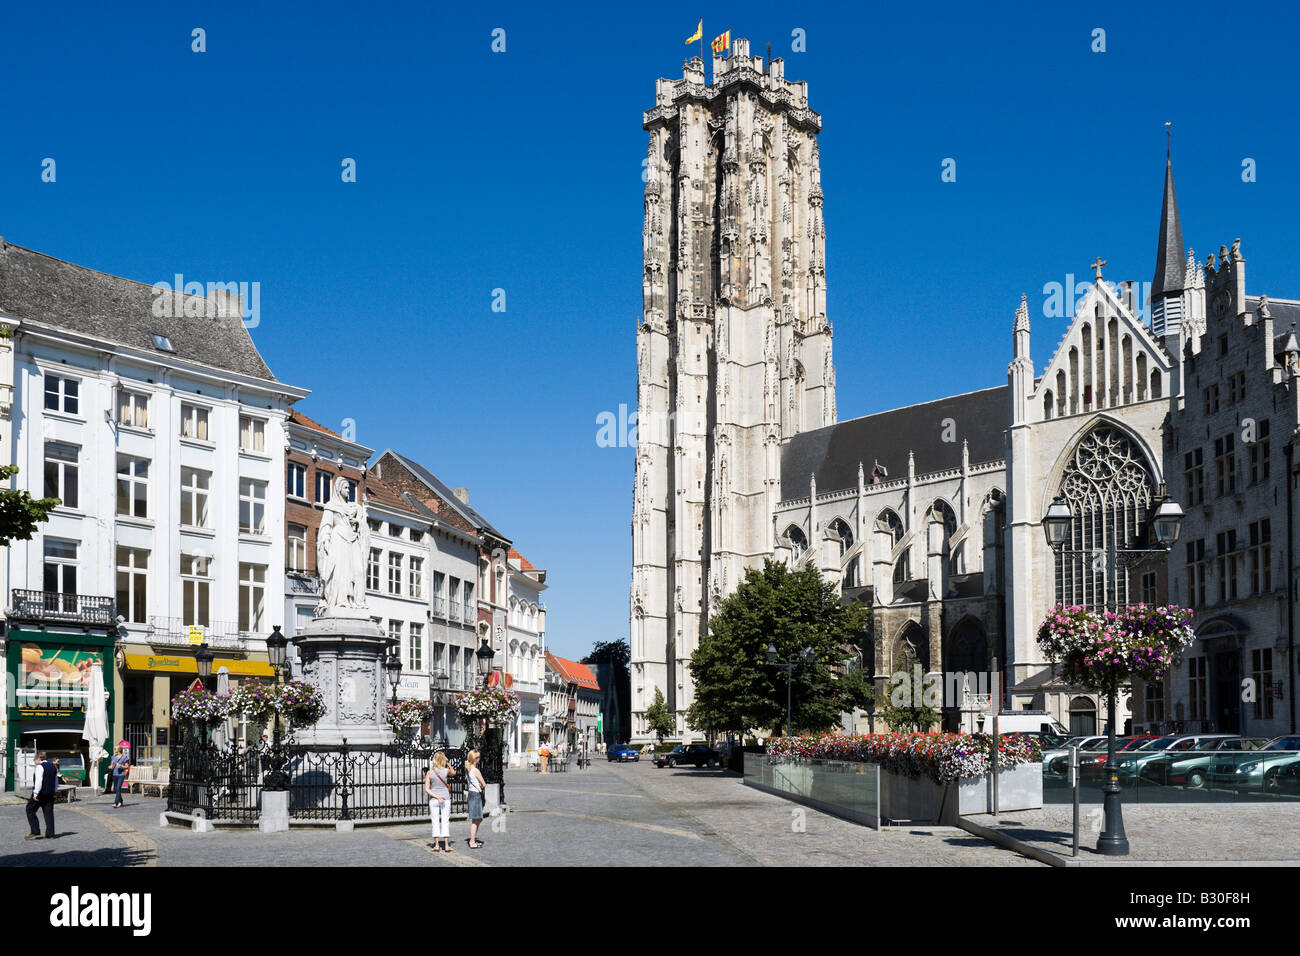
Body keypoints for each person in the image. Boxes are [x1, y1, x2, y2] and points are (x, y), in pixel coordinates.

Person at [424, 752, 454, 853]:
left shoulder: (429, 772)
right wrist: (448, 763)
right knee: (445, 821)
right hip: (445, 798)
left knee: (435, 821)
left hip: (434, 800)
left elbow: (427, 789)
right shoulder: (446, 771)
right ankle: (446, 845)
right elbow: (454, 773)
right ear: (443, 760)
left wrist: (437, 796)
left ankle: (436, 845)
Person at [25, 752, 57, 840]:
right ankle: (50, 834)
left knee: (30, 809)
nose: (34, 761)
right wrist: (54, 791)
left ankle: (35, 831)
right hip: (50, 793)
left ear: (39, 759)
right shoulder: (52, 766)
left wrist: (35, 793)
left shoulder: (40, 767)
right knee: (48, 813)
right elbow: (55, 781)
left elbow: (38, 781)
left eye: (35, 759)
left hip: (41, 794)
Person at [465, 749, 487, 849]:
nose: (479, 759)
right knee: (475, 820)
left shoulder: (468, 769)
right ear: (475, 759)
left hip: (471, 793)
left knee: (478, 818)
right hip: (476, 795)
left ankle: (472, 840)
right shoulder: (475, 770)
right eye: (478, 757)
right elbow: (484, 784)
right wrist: (481, 785)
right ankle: (472, 841)